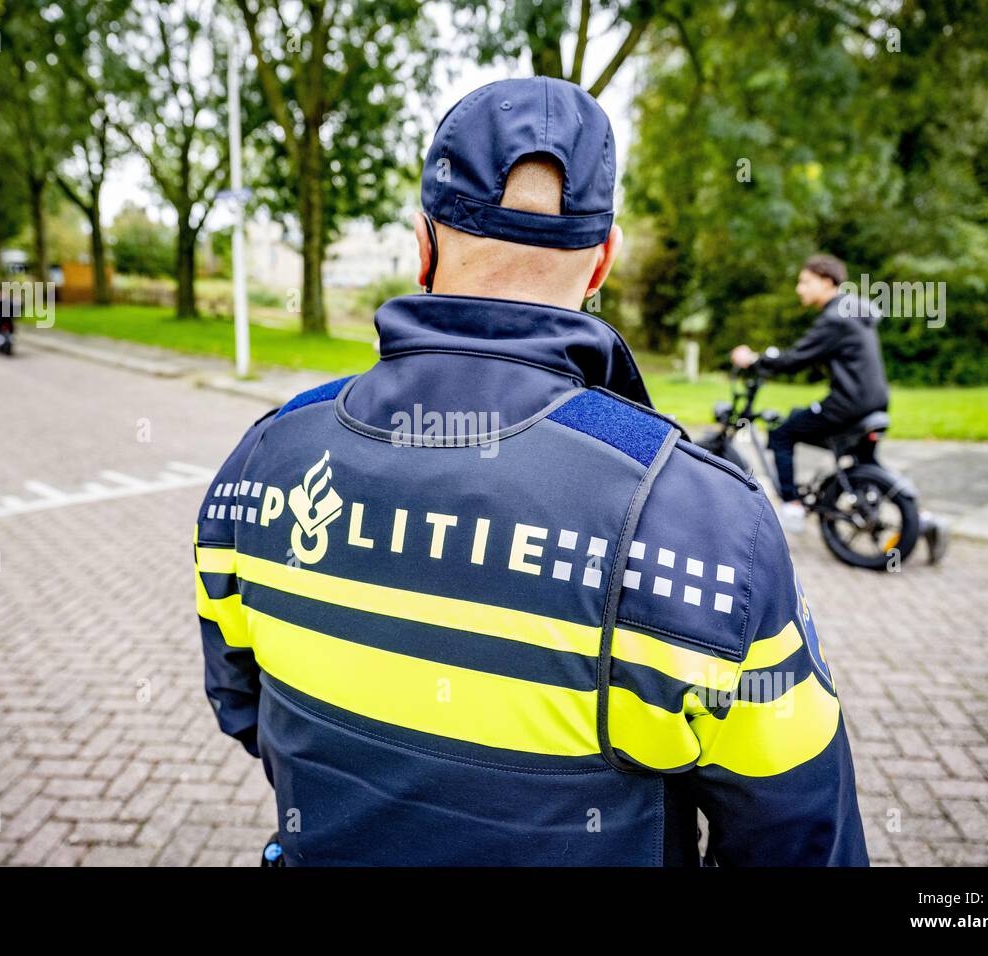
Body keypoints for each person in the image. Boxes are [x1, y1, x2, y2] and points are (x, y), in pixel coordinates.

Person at [194, 78, 867, 866]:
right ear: (602, 261)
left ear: (423, 243)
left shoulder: (263, 457)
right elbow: (800, 838)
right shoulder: (704, 520)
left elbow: (244, 706)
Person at [730, 255, 888, 532]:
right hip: (873, 401)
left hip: (847, 403)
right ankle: (918, 516)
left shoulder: (835, 318)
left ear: (827, 282)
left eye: (805, 282)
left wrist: (755, 361)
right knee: (866, 459)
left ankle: (791, 507)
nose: (798, 289)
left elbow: (796, 359)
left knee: (782, 433)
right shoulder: (852, 310)